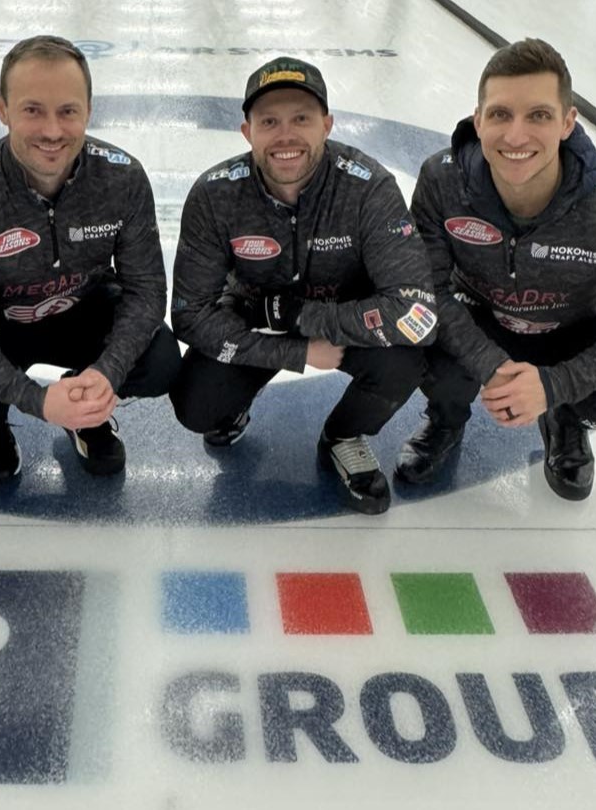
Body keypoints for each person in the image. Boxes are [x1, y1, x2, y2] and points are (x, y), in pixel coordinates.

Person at [394, 38, 596, 500]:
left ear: (568, 122)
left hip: (573, 333)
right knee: (406, 339)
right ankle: (446, 418)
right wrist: (490, 363)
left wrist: (554, 386)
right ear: (478, 120)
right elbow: (424, 290)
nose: (517, 136)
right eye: (501, 114)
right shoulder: (441, 180)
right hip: (479, 320)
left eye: (539, 116)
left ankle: (566, 416)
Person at [170, 56, 437, 515]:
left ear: (327, 125)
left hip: (345, 321)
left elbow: (418, 313)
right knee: (197, 406)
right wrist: (294, 351)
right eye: (269, 121)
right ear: (247, 131)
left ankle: (344, 434)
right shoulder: (214, 194)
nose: (286, 135)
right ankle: (234, 406)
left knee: (406, 356)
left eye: (301, 119)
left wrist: (302, 319)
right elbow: (189, 315)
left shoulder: (369, 187)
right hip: (256, 321)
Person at [0, 35, 180, 480]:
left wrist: (106, 372)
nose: (52, 131)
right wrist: (37, 400)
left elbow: (147, 291)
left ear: (88, 110)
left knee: (160, 360)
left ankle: (86, 410)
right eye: (32, 110)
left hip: (83, 315)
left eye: (67, 111)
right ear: (2, 110)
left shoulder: (124, 178)